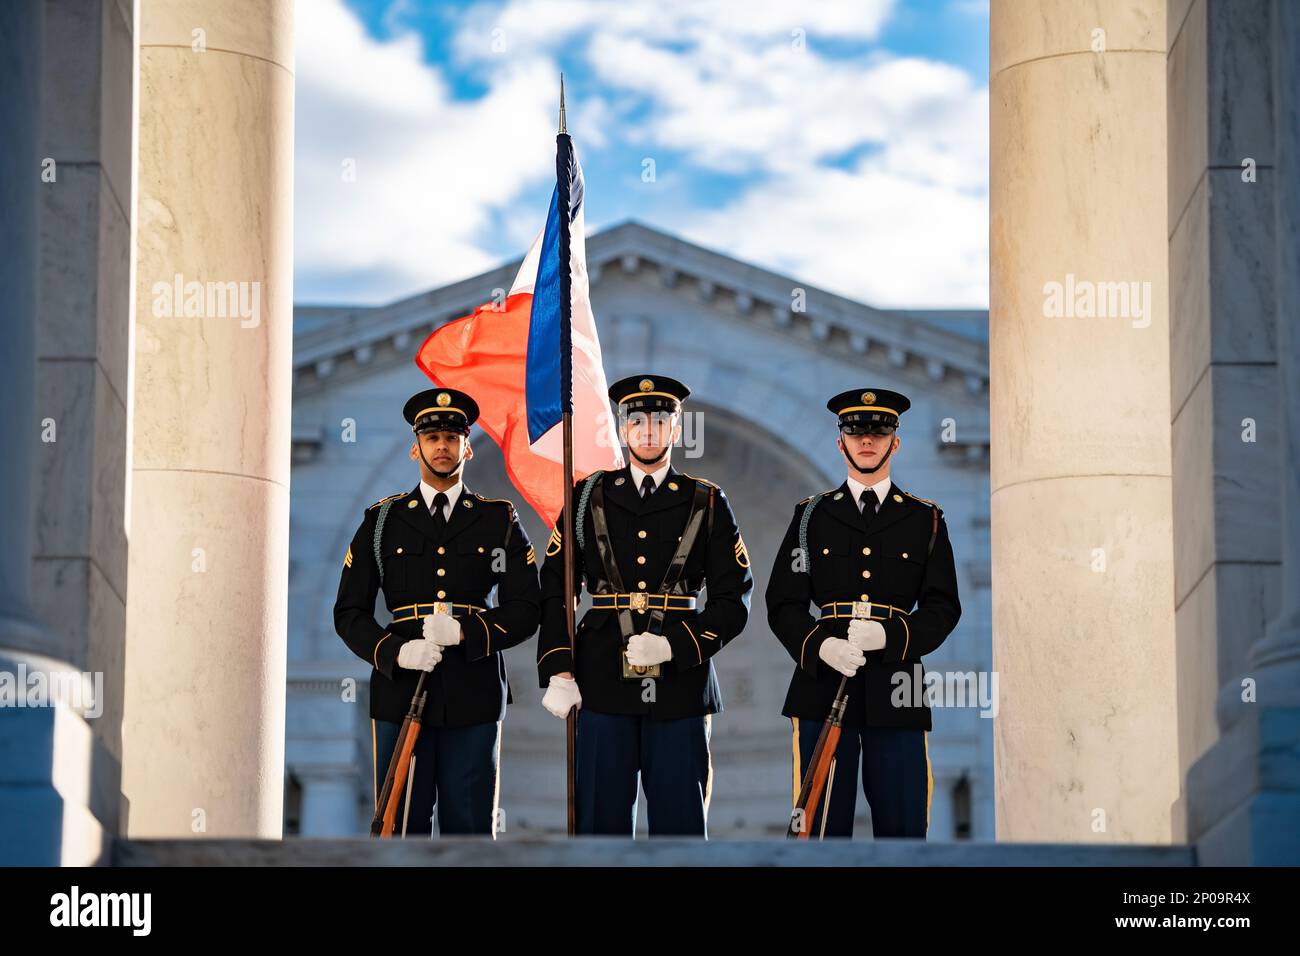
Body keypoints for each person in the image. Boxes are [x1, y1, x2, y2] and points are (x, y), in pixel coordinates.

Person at [536, 374, 753, 836]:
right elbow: (556, 585)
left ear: (676, 429)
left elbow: (734, 599)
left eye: (660, 419)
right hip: (599, 679)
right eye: (637, 419)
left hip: (680, 685)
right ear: (622, 429)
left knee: (681, 830)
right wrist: (559, 666)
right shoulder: (585, 497)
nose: (648, 429)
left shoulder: (708, 501)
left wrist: (677, 645)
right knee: (599, 828)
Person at [334, 387, 540, 836]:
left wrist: (466, 633)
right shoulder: (381, 521)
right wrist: (396, 651)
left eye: (452, 436)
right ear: (416, 447)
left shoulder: (498, 519)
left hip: (474, 688)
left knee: (468, 828)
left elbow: (527, 607)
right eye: (432, 437)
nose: (442, 446)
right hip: (401, 689)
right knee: (400, 824)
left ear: (468, 445)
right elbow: (349, 612)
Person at [766, 387, 960, 838]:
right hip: (822, 685)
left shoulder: (925, 519)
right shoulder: (810, 516)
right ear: (841, 442)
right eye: (856, 431)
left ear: (896, 442)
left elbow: (943, 607)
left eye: (879, 431)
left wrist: (891, 638)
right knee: (820, 828)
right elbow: (783, 603)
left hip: (897, 687)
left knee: (904, 827)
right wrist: (821, 645)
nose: (867, 440)